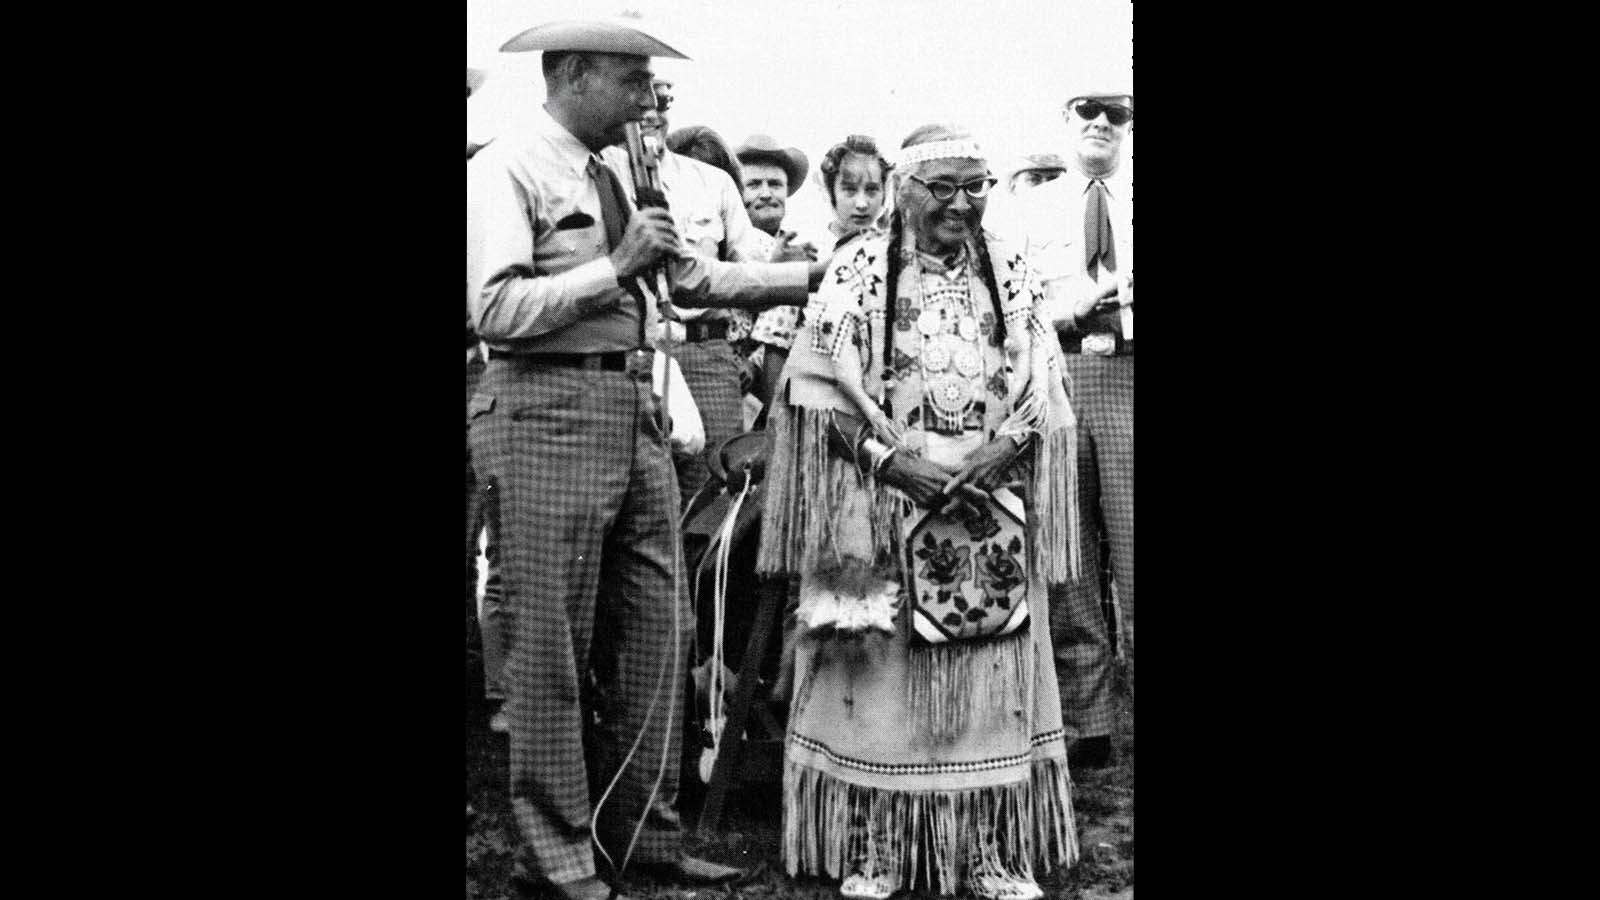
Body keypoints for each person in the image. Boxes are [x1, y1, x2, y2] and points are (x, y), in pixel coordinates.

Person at [465, 18, 824, 900]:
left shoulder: (618, 172)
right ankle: (559, 858)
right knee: (552, 640)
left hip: (633, 408)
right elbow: (494, 310)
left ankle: (646, 839)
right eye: (632, 81)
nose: (647, 98)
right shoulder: (504, 168)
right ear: (575, 73)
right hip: (543, 407)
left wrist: (822, 276)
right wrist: (612, 267)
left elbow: (689, 281)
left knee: (662, 627)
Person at [758, 124, 1082, 900]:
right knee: (872, 685)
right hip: (877, 506)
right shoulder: (857, 272)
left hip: (987, 507)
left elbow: (1046, 386)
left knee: (988, 683)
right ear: (904, 189)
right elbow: (817, 396)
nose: (961, 204)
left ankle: (989, 853)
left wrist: (1004, 450)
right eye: (943, 187)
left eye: (977, 186)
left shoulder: (1014, 273)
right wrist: (888, 461)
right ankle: (875, 846)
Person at [1011, 89, 1133, 771]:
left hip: (1131, 377)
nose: (1100, 123)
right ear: (1064, 118)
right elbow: (1016, 308)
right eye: (1086, 108)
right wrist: (1070, 312)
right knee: (1069, 553)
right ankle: (1088, 725)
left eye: (1116, 112)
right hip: (1058, 378)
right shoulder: (1029, 209)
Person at [734, 134, 817, 411]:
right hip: (732, 374)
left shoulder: (801, 249)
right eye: (754, 185)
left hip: (785, 375)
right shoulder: (728, 244)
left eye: (775, 184)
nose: (766, 193)